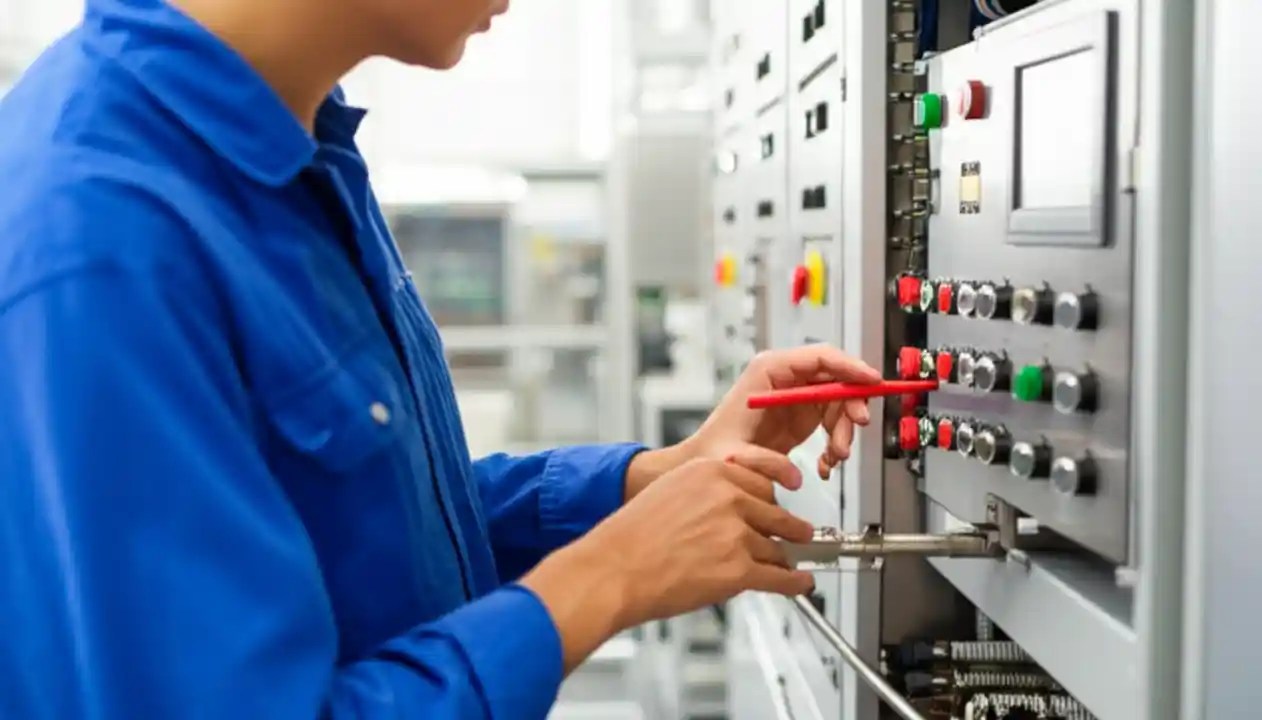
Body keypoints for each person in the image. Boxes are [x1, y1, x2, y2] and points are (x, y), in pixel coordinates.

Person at [0, 1, 881, 718]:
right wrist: (610, 576)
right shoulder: (102, 237)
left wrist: (653, 482)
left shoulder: (301, 148)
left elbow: (383, 528)